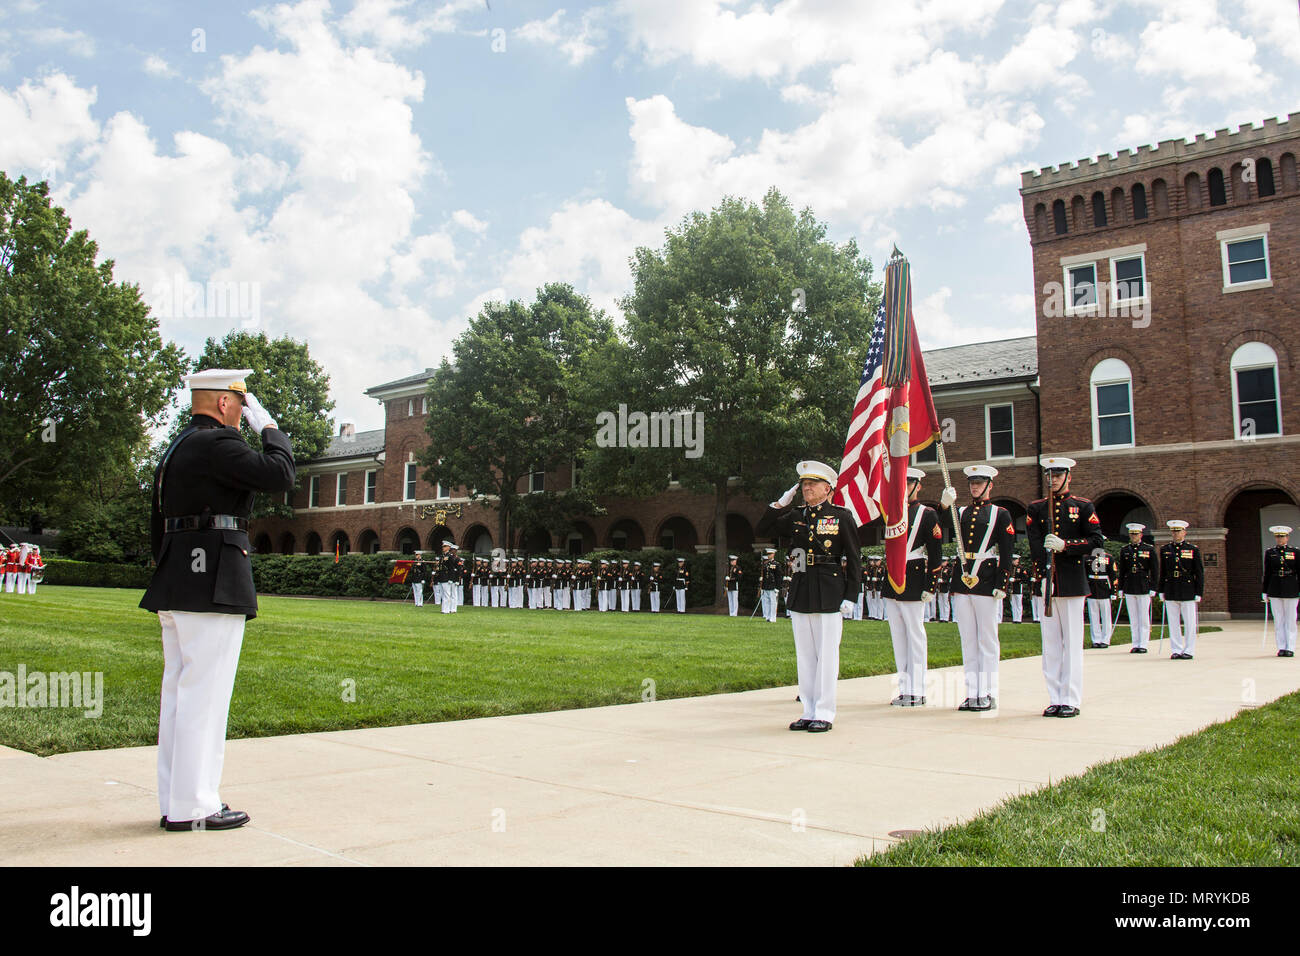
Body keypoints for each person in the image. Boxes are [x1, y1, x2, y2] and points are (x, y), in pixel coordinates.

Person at [140, 369, 295, 831]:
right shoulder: (216, 444)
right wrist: (269, 429)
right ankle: (195, 807)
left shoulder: (177, 448)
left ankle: (177, 800)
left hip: (179, 579)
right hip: (212, 583)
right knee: (204, 698)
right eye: (241, 404)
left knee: (180, 697)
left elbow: (157, 521)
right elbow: (280, 473)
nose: (242, 413)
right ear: (226, 404)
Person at [756, 460, 862, 732]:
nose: (807, 488)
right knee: (805, 654)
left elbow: (853, 558)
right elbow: (762, 530)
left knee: (827, 654)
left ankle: (825, 711)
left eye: (812, 484)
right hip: (802, 588)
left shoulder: (842, 516)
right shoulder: (796, 516)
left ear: (828, 489)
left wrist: (851, 595)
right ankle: (809, 709)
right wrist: (779, 505)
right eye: (804, 484)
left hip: (829, 590)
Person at [1027, 457, 1103, 718]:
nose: (1054, 480)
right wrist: (1043, 566)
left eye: (1059, 475)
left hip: (1071, 581)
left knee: (1071, 642)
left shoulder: (1082, 506)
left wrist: (1066, 546)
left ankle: (1070, 698)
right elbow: (1034, 543)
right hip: (1048, 582)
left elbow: (1096, 540)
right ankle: (1055, 697)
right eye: (1050, 475)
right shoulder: (1036, 509)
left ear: (1068, 477)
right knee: (1050, 644)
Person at [944, 465, 1014, 712]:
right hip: (964, 579)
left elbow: (1006, 551)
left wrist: (1002, 583)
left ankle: (989, 692)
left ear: (989, 485)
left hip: (986, 578)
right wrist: (945, 506)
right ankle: (973, 692)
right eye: (972, 482)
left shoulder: (1000, 514)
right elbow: (943, 530)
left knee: (987, 639)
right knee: (968, 640)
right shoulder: (960, 511)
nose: (974, 486)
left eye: (979, 482)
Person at [884, 468, 943, 707]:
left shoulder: (927, 514)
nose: (905, 486)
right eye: (902, 482)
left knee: (915, 636)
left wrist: (931, 584)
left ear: (918, 485)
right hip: (892, 579)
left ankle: (918, 689)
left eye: (909, 483)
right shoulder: (891, 511)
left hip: (915, 577)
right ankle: (904, 687)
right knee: (898, 637)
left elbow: (936, 553)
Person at [1159, 520, 1203, 659]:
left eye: (1178, 531)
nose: (1176, 534)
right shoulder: (1165, 549)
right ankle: (1176, 649)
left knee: (1189, 622)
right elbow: (1163, 572)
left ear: (1184, 532)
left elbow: (1199, 572)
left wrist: (1198, 592)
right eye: (1173, 531)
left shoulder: (1192, 549)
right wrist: (1161, 590)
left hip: (1187, 588)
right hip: (1171, 587)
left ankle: (1189, 650)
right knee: (1173, 622)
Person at [1117, 523, 1158, 653]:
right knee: (1133, 617)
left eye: (1136, 534)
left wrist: (1153, 587)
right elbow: (1122, 570)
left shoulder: (1149, 549)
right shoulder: (1125, 550)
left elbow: (1154, 570)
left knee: (1143, 617)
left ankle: (1143, 644)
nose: (1134, 536)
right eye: (1132, 534)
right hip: (1130, 585)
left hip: (1143, 585)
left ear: (1141, 535)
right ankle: (1135, 643)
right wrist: (1121, 588)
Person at [1263, 526, 1298, 657]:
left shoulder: (1295, 552)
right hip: (1275, 588)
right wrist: (1265, 591)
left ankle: (1290, 647)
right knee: (1279, 619)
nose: (1280, 539)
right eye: (1278, 537)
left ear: (1287, 538)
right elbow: (1267, 573)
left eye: (1282, 536)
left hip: (1291, 588)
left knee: (1290, 619)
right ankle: (1281, 647)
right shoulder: (1270, 552)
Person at [1085, 549, 1119, 648]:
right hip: (1092, 588)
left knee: (1106, 616)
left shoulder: (1108, 558)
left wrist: (1113, 592)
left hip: (1104, 589)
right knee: (1093, 616)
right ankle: (1096, 639)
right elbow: (1085, 575)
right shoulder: (1087, 558)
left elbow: (1113, 576)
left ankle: (1105, 639)